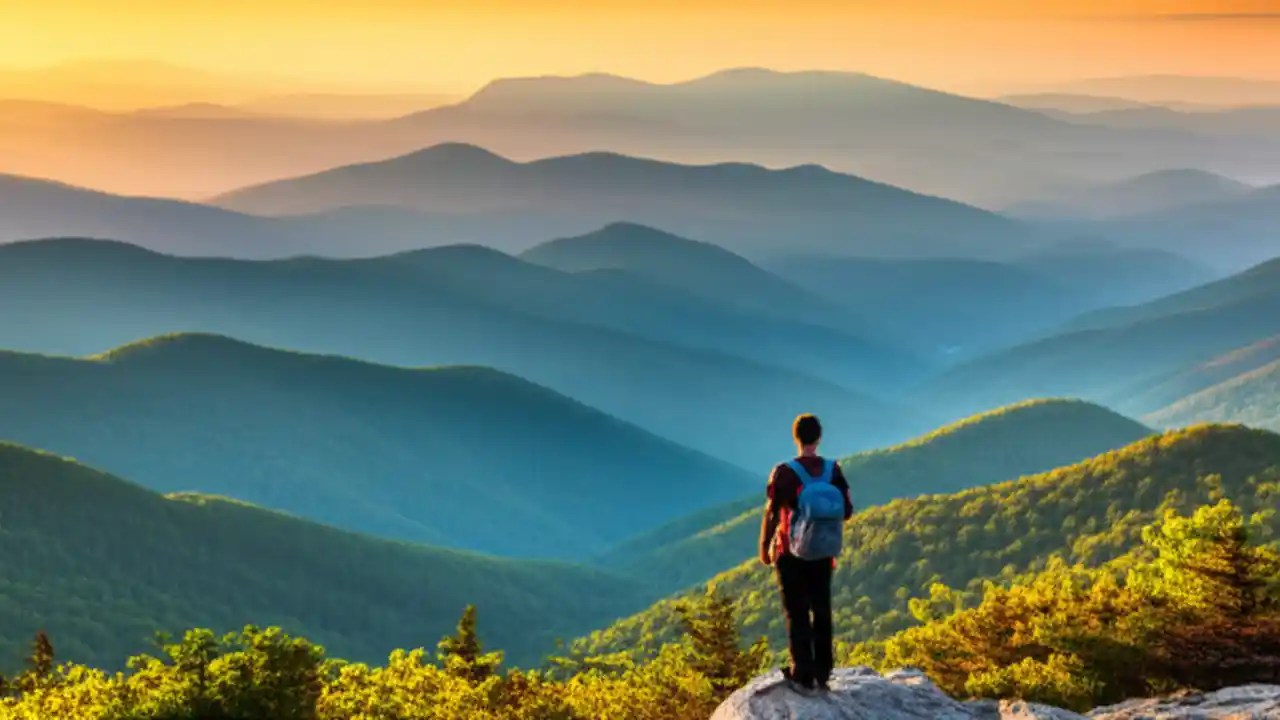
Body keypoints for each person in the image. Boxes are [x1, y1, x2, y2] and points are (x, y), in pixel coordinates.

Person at [759, 414, 853, 693]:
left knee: (796, 610)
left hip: (790, 551)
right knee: (821, 607)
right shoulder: (832, 470)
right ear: (819, 438)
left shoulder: (784, 472)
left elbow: (772, 511)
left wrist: (765, 547)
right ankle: (823, 671)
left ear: (796, 437)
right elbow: (846, 511)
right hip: (824, 550)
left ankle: (802, 672)